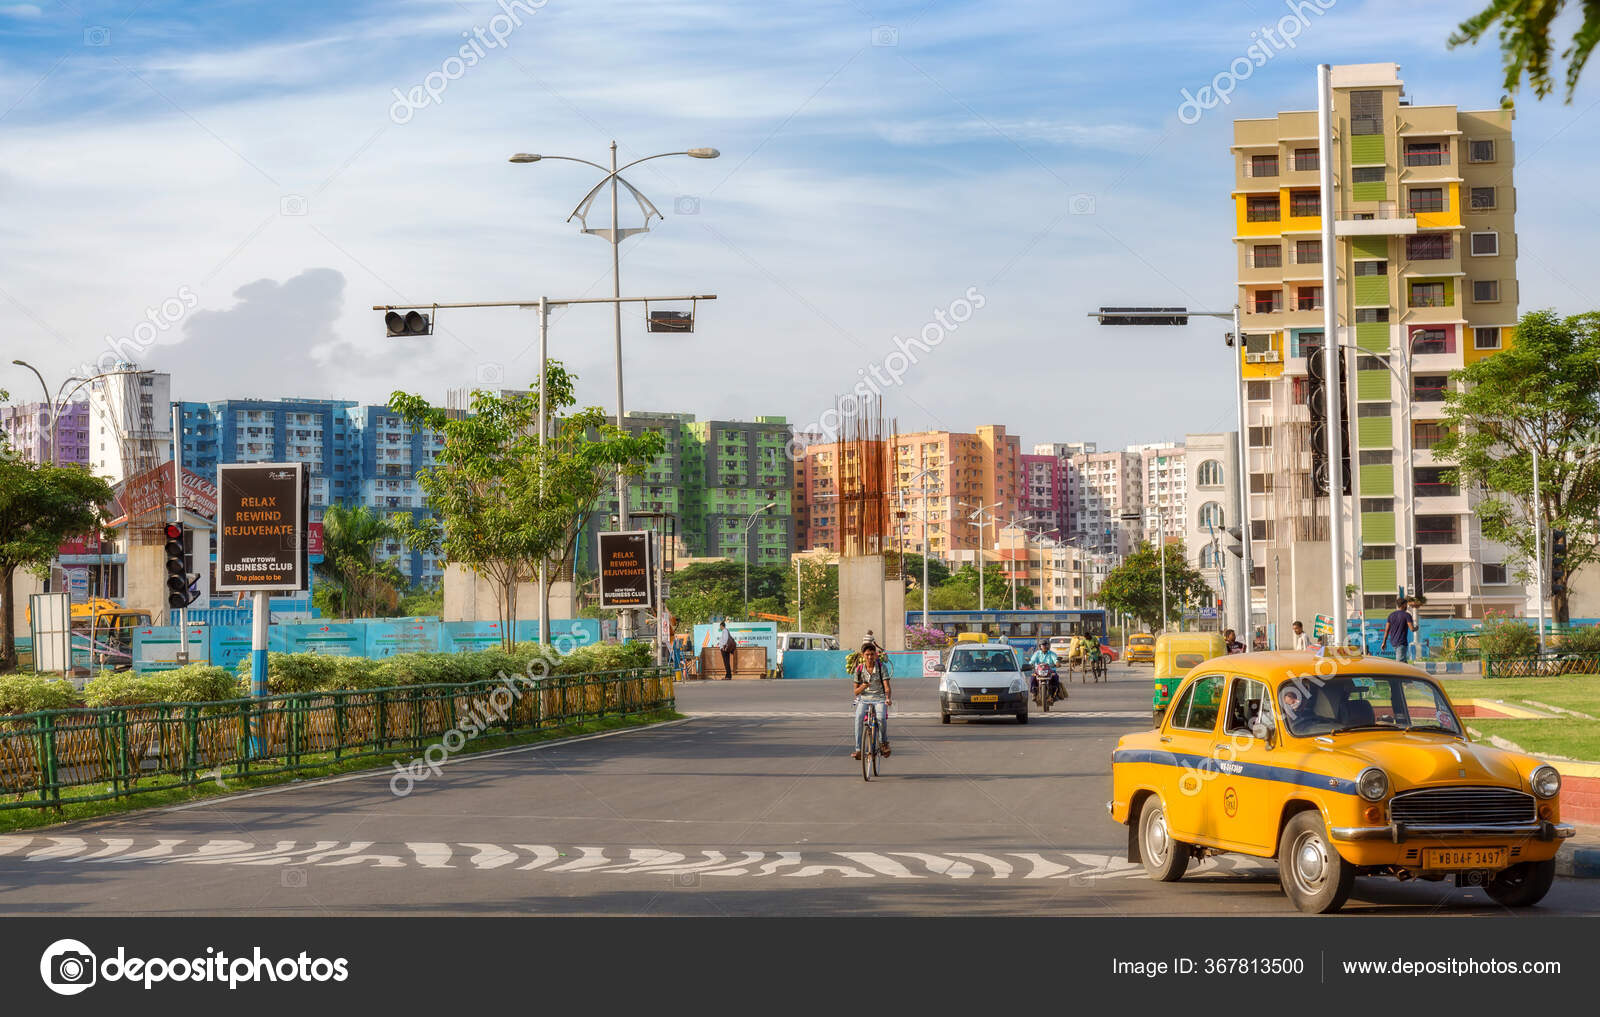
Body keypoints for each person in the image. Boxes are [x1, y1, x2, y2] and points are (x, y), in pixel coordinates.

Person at [851, 642, 892, 760]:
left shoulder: (881, 667)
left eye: (872, 654)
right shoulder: (859, 669)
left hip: (879, 698)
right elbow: (856, 692)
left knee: (881, 718)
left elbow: (887, 687)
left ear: (875, 655)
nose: (870, 657)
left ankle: (883, 743)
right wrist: (863, 686)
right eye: (867, 654)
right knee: (858, 717)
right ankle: (858, 749)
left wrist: (888, 698)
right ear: (863, 655)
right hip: (863, 699)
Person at [1382, 597, 1418, 663]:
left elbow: (1387, 630)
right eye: (1406, 604)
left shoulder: (1391, 615)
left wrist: (1384, 642)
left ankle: (1409, 673)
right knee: (1400, 663)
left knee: (1403, 661)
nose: (1407, 606)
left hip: (1393, 642)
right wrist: (1416, 628)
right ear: (1403, 605)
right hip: (1401, 643)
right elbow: (1412, 629)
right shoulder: (1407, 615)